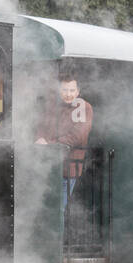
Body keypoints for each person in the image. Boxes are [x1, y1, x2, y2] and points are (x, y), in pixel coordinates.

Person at [35, 74, 93, 208]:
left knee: (57, 210)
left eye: (72, 90)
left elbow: (77, 136)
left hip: (67, 169)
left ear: (78, 91)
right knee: (41, 208)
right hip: (45, 168)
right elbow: (41, 128)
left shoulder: (84, 107)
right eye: (65, 90)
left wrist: (49, 143)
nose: (68, 94)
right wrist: (39, 139)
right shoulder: (52, 106)